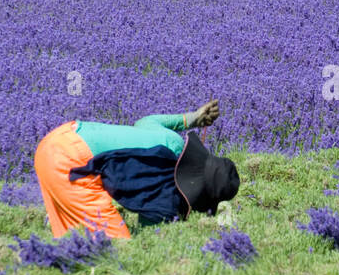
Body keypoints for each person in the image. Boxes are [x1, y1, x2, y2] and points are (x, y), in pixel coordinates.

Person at [33, 100, 238, 240]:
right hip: (70, 162)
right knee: (116, 248)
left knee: (71, 241)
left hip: (60, 136)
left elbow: (146, 122)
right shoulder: (169, 180)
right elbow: (150, 233)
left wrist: (191, 119)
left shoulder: (173, 141)